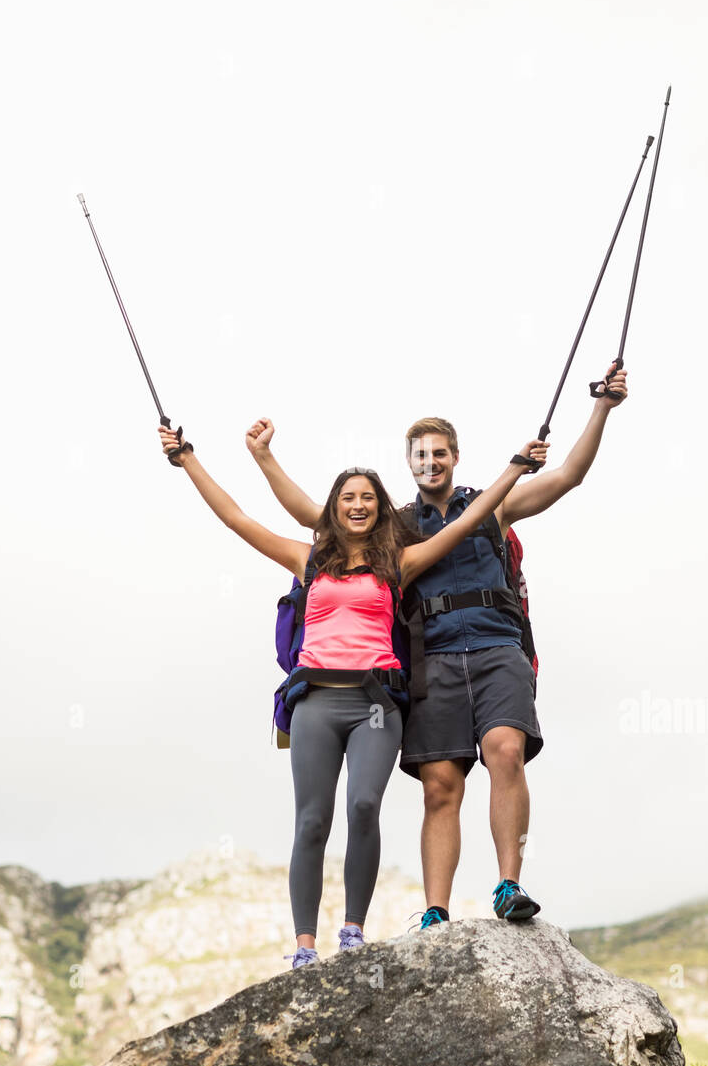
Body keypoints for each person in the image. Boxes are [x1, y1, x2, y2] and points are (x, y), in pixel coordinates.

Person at [245, 363, 628, 929]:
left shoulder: (493, 506)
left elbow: (569, 473)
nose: (431, 463)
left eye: (440, 453)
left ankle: (508, 884)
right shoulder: (393, 528)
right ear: (410, 464)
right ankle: (435, 911)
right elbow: (313, 515)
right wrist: (266, 458)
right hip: (433, 660)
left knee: (505, 750)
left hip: (498, 646)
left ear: (455, 457)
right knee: (441, 784)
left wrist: (600, 408)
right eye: (420, 456)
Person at [158, 421, 540, 965]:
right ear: (334, 509)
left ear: (380, 508)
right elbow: (236, 517)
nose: (356, 505)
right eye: (346, 498)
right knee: (312, 820)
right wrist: (191, 458)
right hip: (315, 698)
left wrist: (513, 467)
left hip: (376, 703)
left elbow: (473, 519)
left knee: (364, 806)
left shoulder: (400, 562)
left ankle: (353, 932)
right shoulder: (307, 559)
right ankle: (304, 947)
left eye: (366, 498)